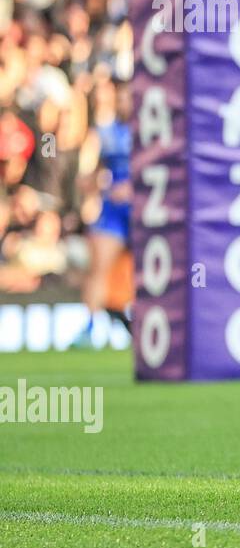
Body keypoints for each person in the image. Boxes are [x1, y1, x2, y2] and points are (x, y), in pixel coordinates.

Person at [73, 79, 132, 347]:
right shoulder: (103, 134)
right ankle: (89, 327)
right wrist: (104, 183)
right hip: (113, 211)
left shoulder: (155, 133)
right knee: (99, 269)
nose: (123, 103)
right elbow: (85, 177)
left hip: (150, 207)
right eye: (120, 98)